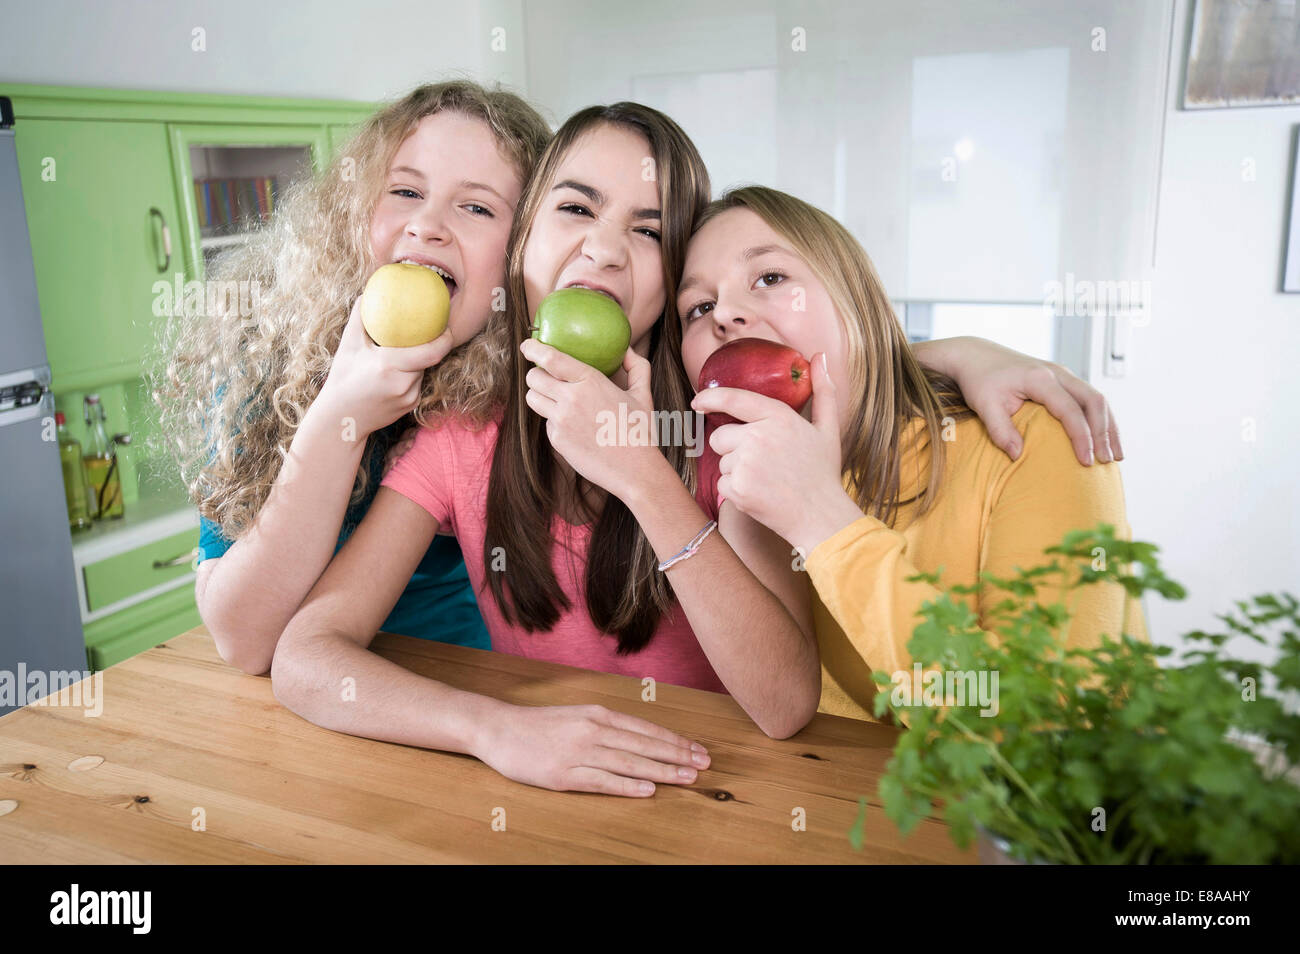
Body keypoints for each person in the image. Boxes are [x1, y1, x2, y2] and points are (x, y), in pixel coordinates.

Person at [681, 186, 1147, 723]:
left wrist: (825, 525)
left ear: (855, 302)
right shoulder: (736, 482)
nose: (727, 315)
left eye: (770, 277)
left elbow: (1039, 732)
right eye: (700, 307)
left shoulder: (1033, 435)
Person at [153, 81, 552, 674]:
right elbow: (244, 641)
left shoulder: (534, 391)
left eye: (476, 206)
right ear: (354, 214)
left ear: (525, 248)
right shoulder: (266, 358)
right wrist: (341, 413)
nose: (427, 224)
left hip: (455, 701)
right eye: (406, 191)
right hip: (297, 722)